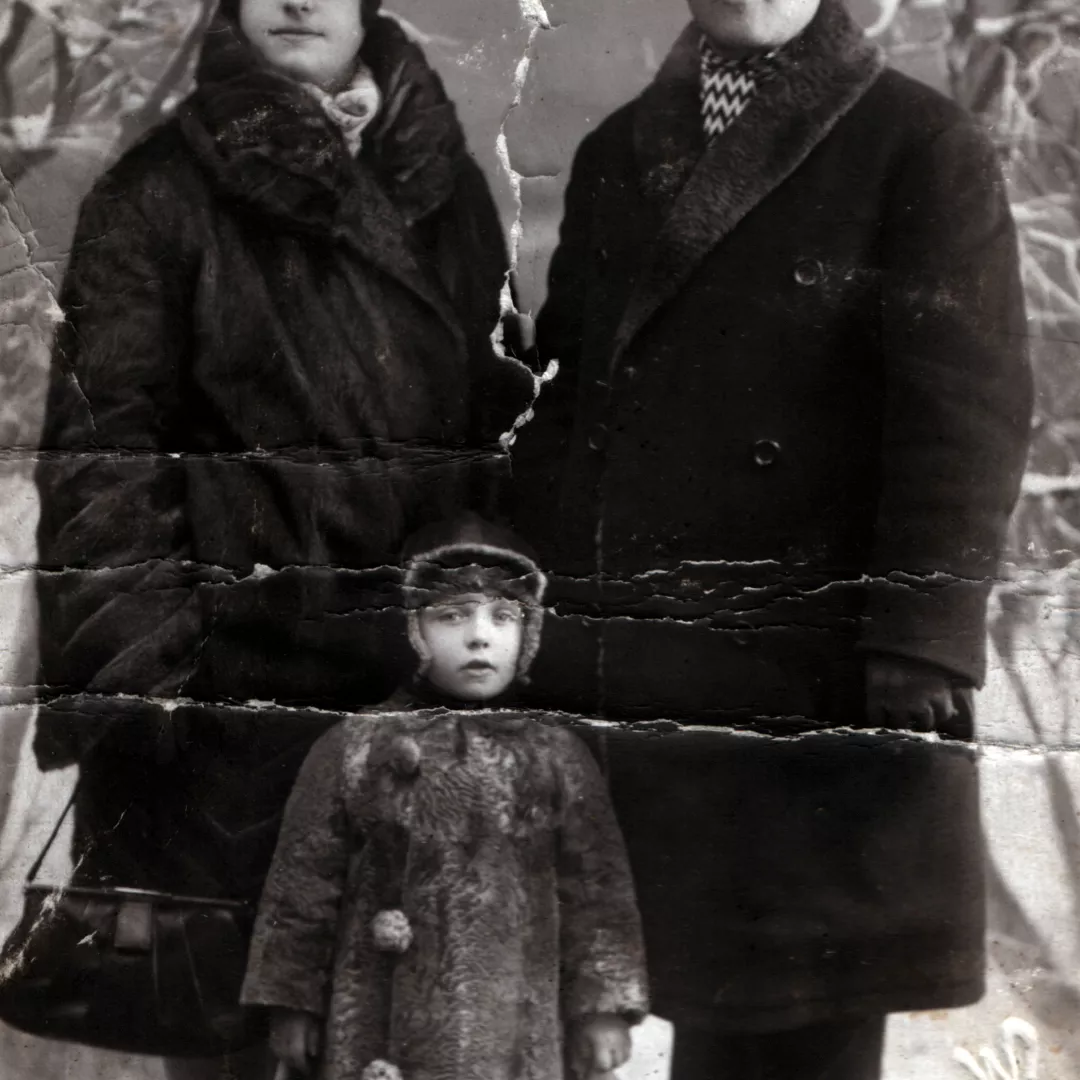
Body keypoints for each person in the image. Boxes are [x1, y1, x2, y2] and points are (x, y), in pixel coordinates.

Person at [513, 0, 1033, 1076]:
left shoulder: (917, 142)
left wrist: (922, 630)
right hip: (643, 662)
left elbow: (964, 412)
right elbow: (567, 399)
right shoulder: (619, 150)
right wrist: (530, 599)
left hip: (830, 661)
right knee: (663, 988)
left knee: (803, 1012)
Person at [32, 0, 529, 1076]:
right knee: (238, 1040)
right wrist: (147, 694)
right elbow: (99, 459)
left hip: (410, 696)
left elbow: (500, 421)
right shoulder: (158, 193)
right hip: (224, 722)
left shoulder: (449, 192)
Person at [241, 514, 648, 1080]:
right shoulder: (354, 746)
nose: (479, 636)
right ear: (412, 628)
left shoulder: (556, 755)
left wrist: (602, 1009)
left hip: (516, 1027)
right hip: (375, 1023)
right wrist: (291, 1003)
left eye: (503, 617)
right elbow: (303, 886)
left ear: (528, 634)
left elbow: (597, 894)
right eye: (452, 616)